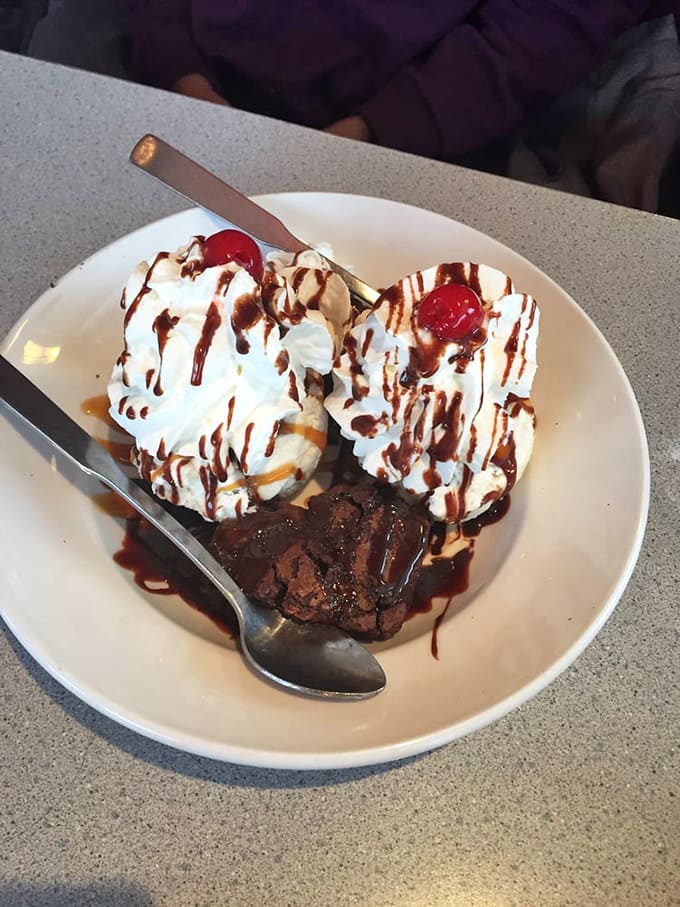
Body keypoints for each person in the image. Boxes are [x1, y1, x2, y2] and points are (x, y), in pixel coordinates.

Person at [125, 1, 678, 163]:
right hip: (175, 59)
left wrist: (368, 133)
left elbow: (539, 35)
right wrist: (182, 74)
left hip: (409, 117)